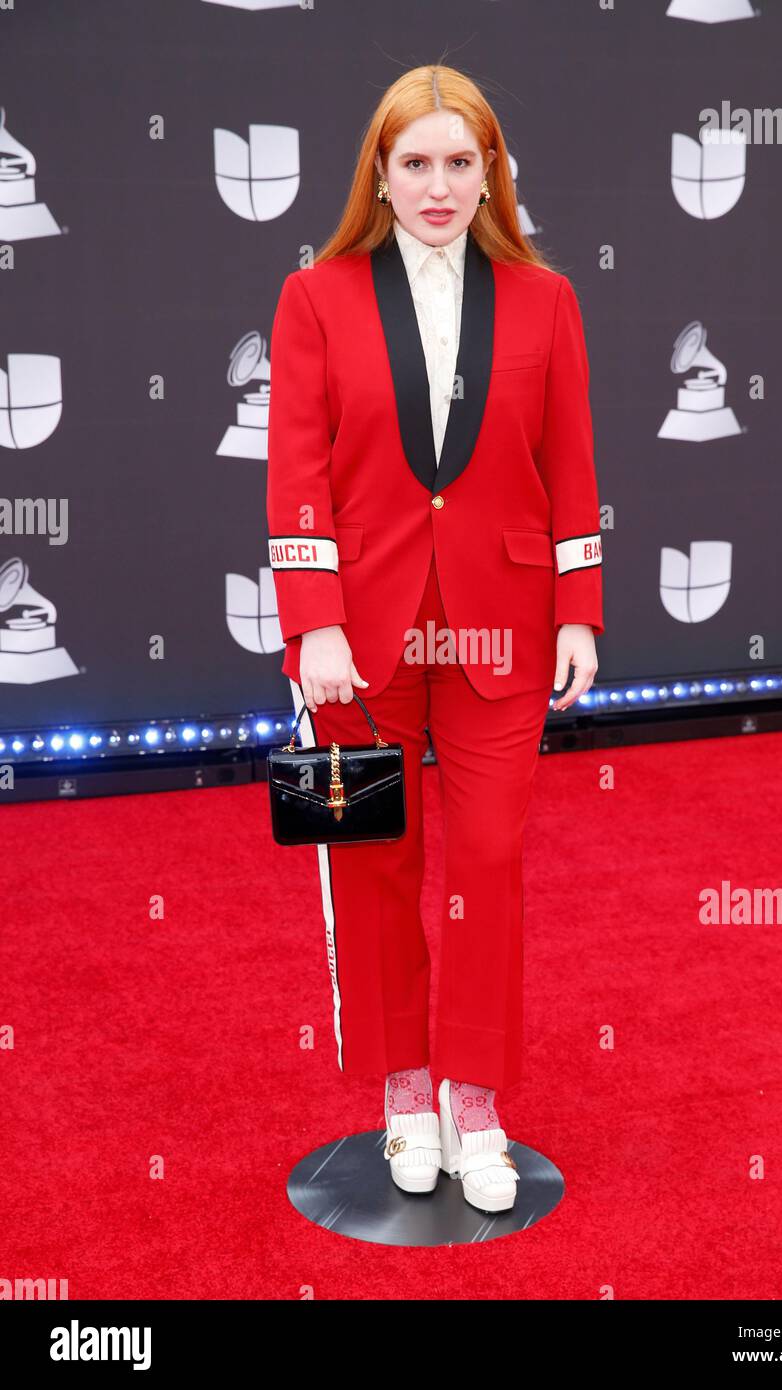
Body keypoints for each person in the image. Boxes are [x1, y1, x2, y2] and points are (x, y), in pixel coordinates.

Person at [266, 64, 603, 1214]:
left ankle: (474, 1097)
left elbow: (570, 462)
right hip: (359, 633)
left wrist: (578, 608)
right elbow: (295, 467)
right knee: (375, 862)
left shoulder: (546, 300)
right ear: (379, 173)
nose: (439, 185)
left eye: (462, 162)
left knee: (490, 862)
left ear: (491, 171)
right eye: (415, 162)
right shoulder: (315, 296)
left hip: (503, 626)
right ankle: (404, 1090)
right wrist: (311, 621)